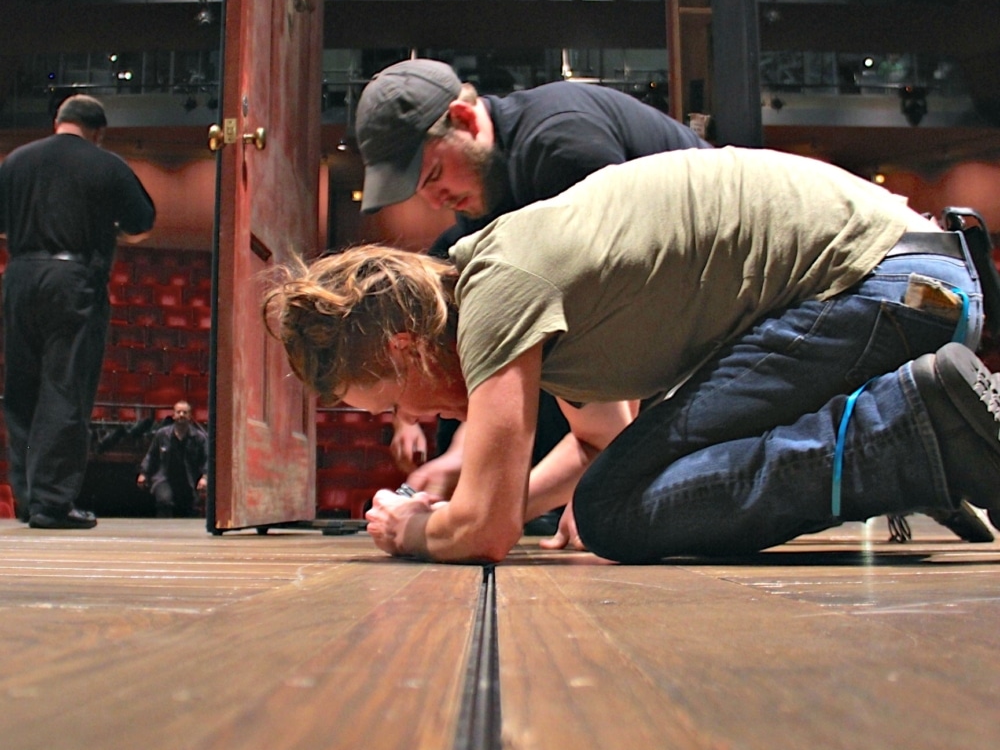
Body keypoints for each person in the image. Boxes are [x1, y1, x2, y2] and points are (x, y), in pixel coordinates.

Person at [264, 147, 999, 563]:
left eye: (393, 403)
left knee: (614, 517)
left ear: (404, 346)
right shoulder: (506, 283)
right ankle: (921, 440)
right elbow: (599, 444)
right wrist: (473, 507)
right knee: (618, 497)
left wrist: (414, 529)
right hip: (917, 286)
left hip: (887, 289)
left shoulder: (498, 292)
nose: (413, 419)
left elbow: (485, 534)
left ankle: (913, 436)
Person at [357, 57, 712, 503]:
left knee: (617, 514)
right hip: (651, 320)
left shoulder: (563, 147)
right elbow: (498, 344)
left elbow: (631, 317)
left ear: (464, 119)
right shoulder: (484, 196)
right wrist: (461, 458)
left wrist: (599, 485)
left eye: (432, 176)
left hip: (715, 312)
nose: (434, 200)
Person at [0, 94, 155, 529]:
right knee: (64, 388)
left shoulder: (15, 161)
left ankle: (28, 499)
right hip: (73, 280)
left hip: (19, 275)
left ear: (58, 121)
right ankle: (52, 502)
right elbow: (142, 223)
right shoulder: (106, 164)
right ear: (98, 132)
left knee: (21, 391)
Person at [137, 400, 208, 518]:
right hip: (165, 477)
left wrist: (205, 478)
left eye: (185, 412)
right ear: (173, 415)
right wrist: (143, 473)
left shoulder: (199, 437)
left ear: (190, 416)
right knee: (164, 501)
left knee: (190, 507)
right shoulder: (162, 434)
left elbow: (208, 459)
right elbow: (151, 455)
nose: (181, 415)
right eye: (178, 412)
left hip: (189, 479)